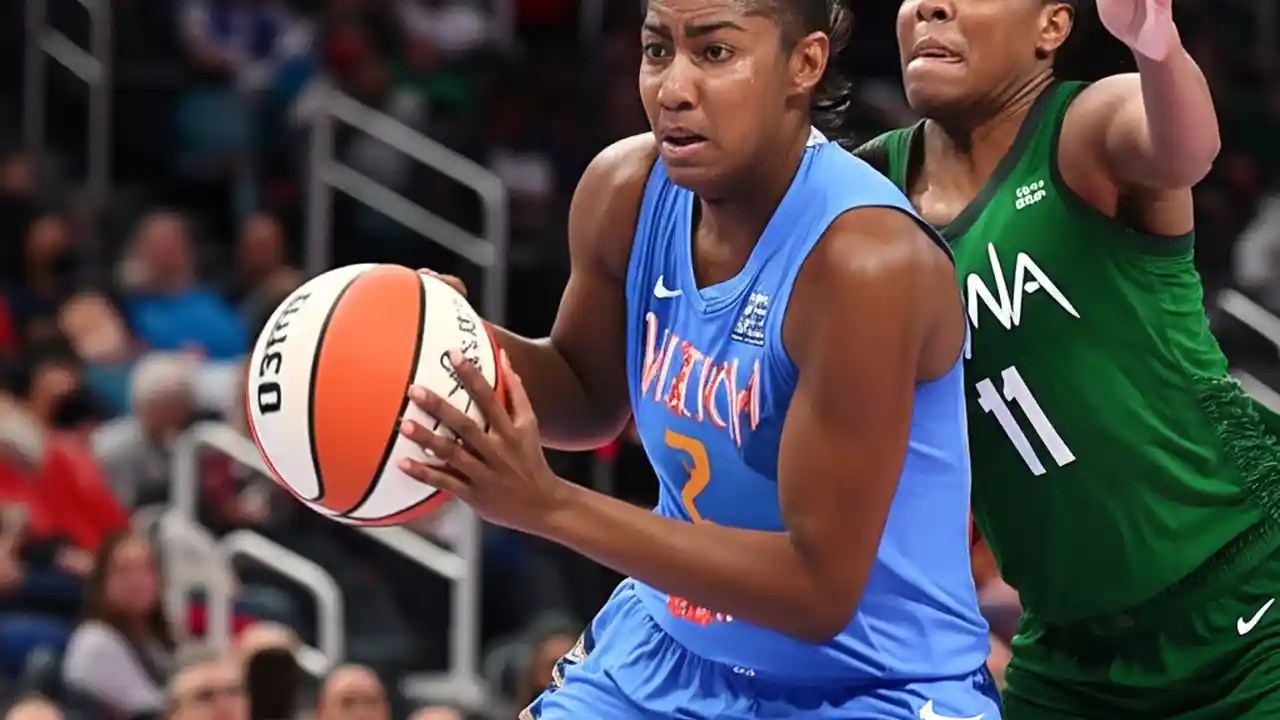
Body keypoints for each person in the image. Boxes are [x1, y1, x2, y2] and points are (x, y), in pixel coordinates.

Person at [397, 1, 996, 718]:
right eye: (657, 52)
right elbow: (587, 392)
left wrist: (549, 505)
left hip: (868, 686)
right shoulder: (625, 188)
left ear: (803, 65)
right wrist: (447, 343)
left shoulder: (864, 263)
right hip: (665, 652)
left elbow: (816, 592)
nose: (672, 88)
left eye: (714, 54)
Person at [852, 1, 1280, 718]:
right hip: (1072, 649)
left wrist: (1157, 47)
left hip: (1243, 588)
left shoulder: (1083, 128)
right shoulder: (866, 197)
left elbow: (1183, 149)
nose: (931, 5)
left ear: (1051, 27)